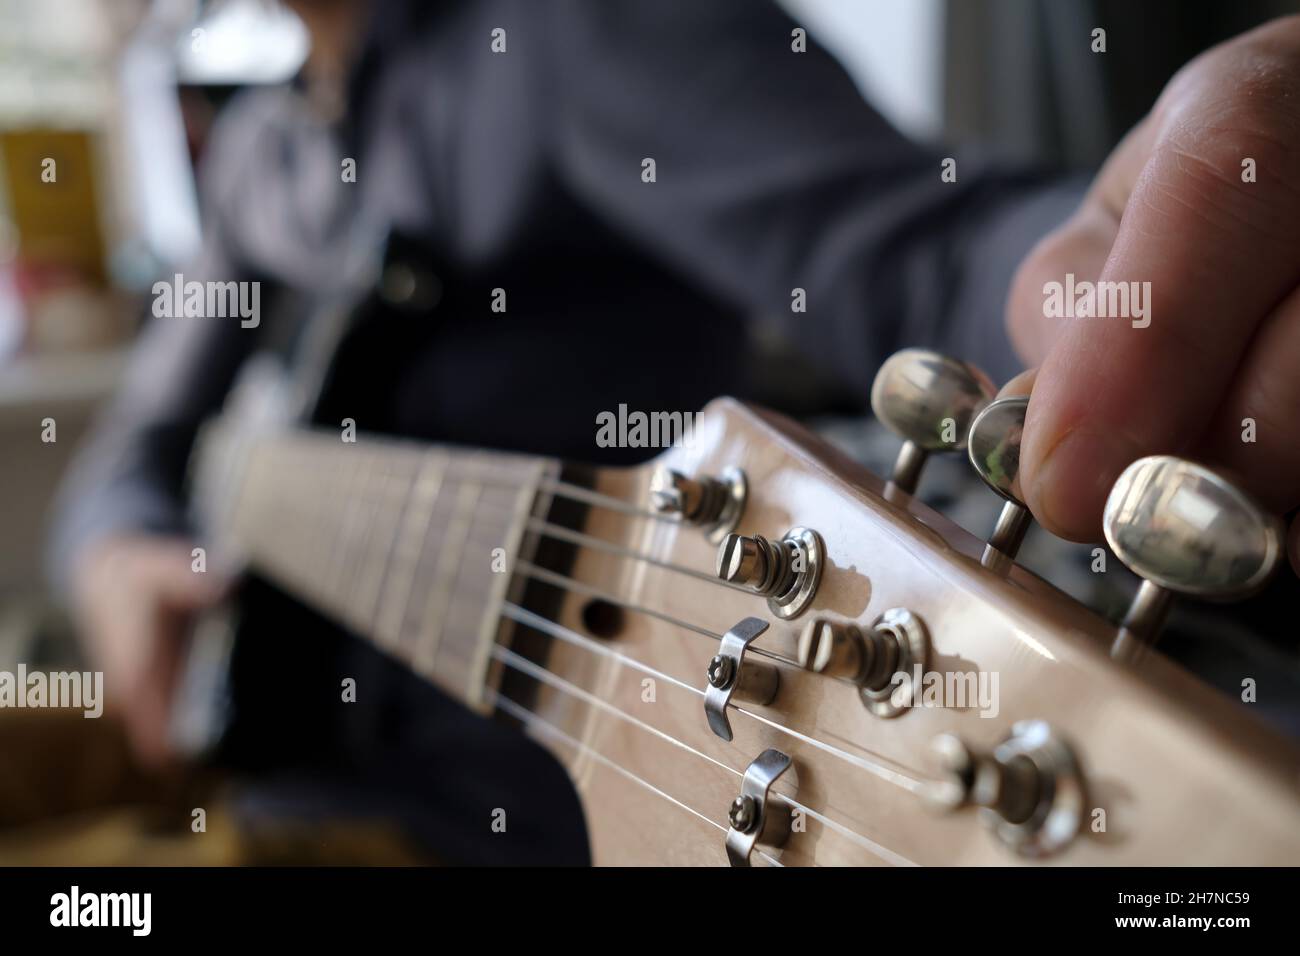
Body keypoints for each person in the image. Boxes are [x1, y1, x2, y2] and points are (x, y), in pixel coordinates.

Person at [35, 0, 1300, 862]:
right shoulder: (260, 154)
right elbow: (142, 437)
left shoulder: (579, 32)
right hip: (279, 777)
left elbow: (921, 246)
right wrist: (114, 545)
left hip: (599, 804)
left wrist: (1120, 286)